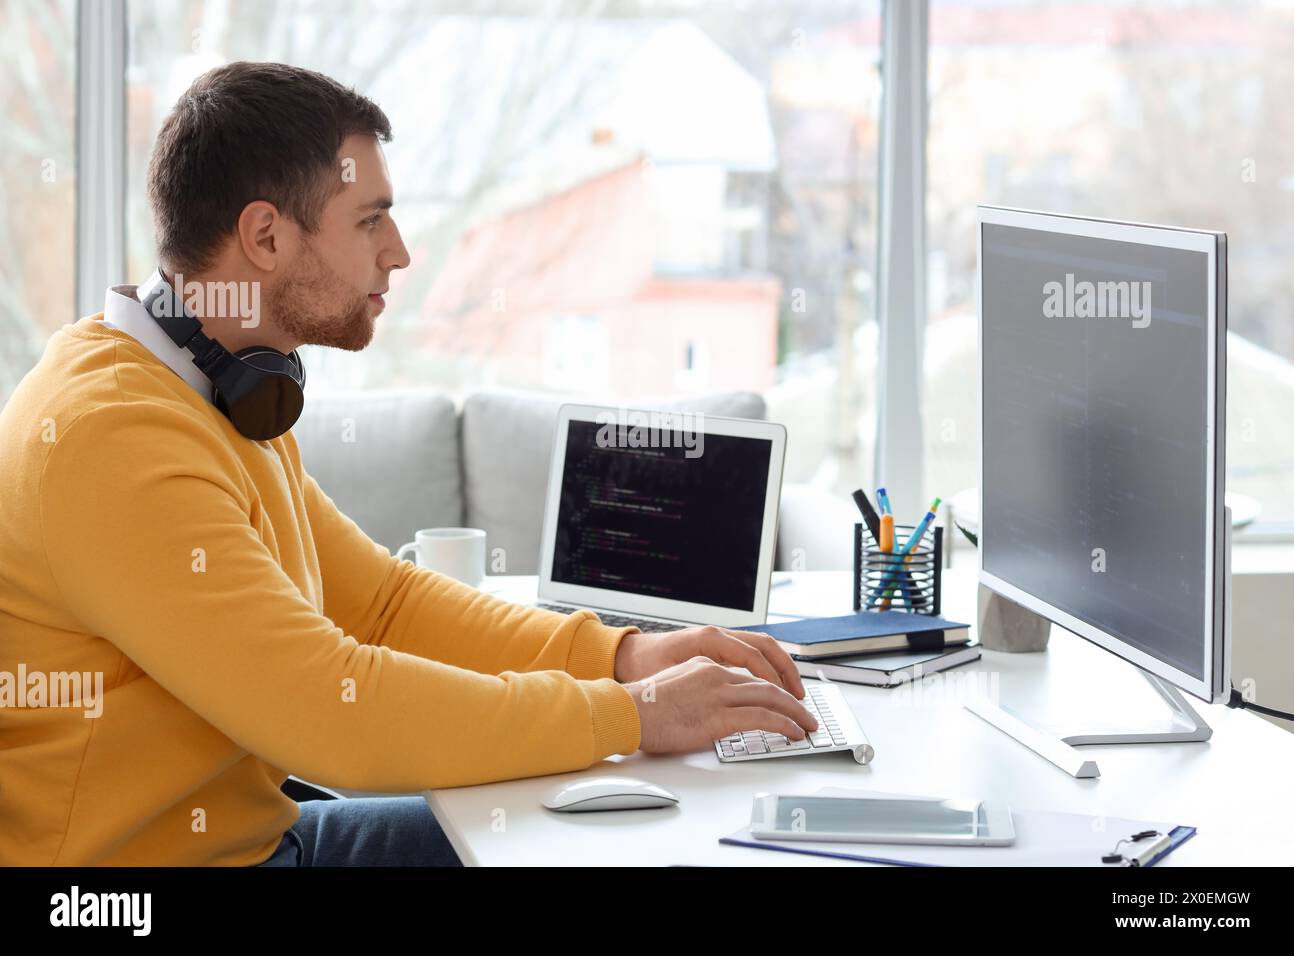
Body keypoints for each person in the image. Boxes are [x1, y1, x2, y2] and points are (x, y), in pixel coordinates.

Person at [0, 62, 818, 867]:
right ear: (266, 235)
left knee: (593, 837)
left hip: (255, 841)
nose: (398, 253)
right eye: (370, 221)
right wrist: (632, 714)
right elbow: (331, 711)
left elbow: (382, 605)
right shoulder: (111, 438)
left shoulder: (221, 385)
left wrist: (621, 656)